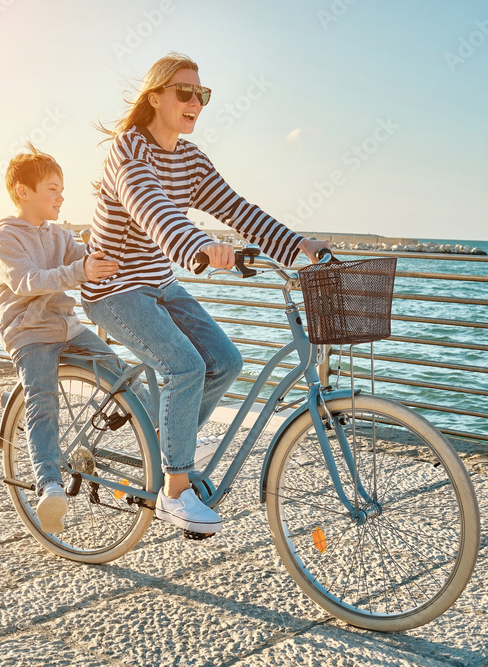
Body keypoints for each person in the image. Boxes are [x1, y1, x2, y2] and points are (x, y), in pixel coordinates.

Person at [81, 52, 329, 535]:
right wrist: (199, 246)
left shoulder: (190, 159)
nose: (196, 101)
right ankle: (175, 490)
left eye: (203, 94)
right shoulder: (127, 152)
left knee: (225, 361)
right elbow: (153, 209)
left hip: (158, 282)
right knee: (184, 365)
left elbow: (236, 207)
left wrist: (298, 244)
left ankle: (166, 443)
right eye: (185, 92)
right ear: (155, 97)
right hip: (113, 288)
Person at [0, 143, 153, 534]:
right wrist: (79, 270)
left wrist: (122, 250)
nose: (61, 197)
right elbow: (26, 281)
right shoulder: (6, 236)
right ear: (23, 192)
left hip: (66, 326)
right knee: (42, 401)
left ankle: (163, 437)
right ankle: (49, 485)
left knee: (122, 372)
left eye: (63, 190)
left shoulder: (58, 234)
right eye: (52, 189)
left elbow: (88, 257)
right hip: (29, 334)